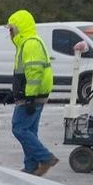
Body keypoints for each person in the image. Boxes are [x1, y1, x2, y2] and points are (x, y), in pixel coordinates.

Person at [7, 10, 58, 176]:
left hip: (32, 96)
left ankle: (45, 158)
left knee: (19, 128)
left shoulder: (30, 44)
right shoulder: (27, 43)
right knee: (30, 131)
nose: (10, 32)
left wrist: (29, 97)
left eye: (11, 28)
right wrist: (13, 93)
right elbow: (24, 73)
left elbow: (34, 73)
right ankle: (31, 167)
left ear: (19, 27)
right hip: (33, 95)